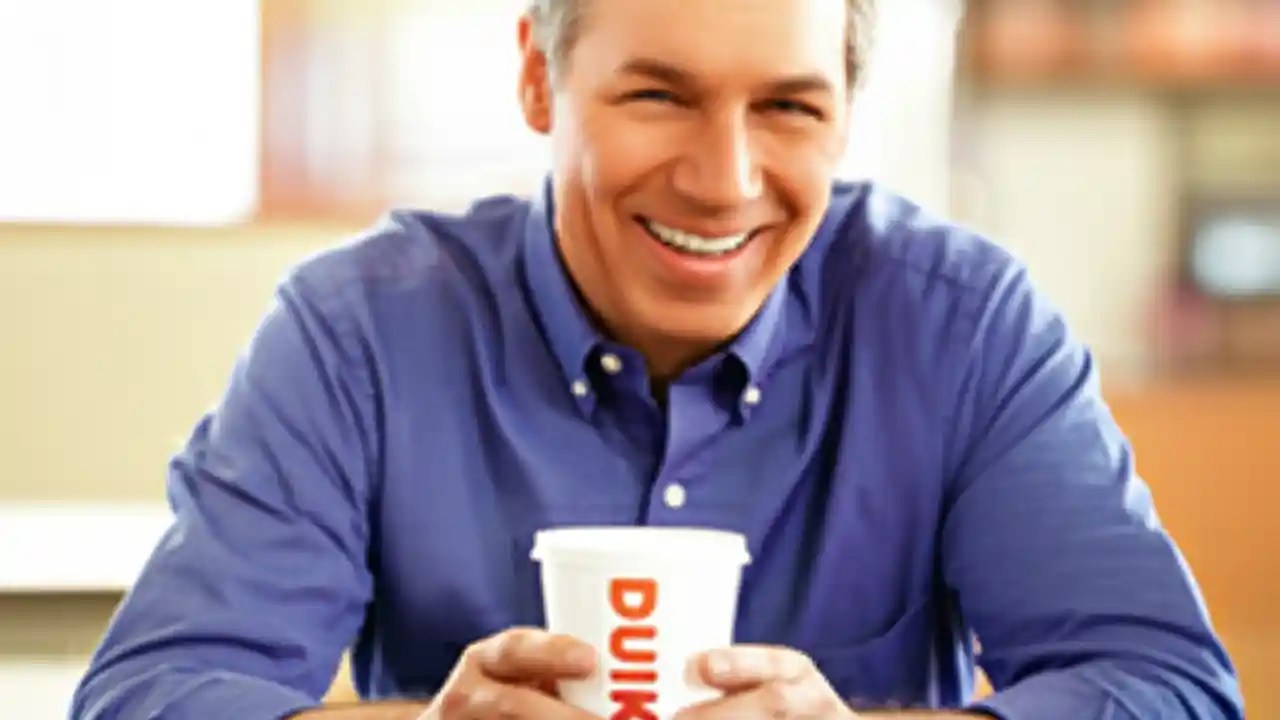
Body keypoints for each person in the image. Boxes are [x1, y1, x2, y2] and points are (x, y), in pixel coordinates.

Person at [72, 0, 1243, 718]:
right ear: (538, 77)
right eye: (657, 95)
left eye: (786, 108)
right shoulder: (359, 333)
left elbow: (1168, 692)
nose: (724, 180)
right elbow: (150, 699)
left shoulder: (961, 324)